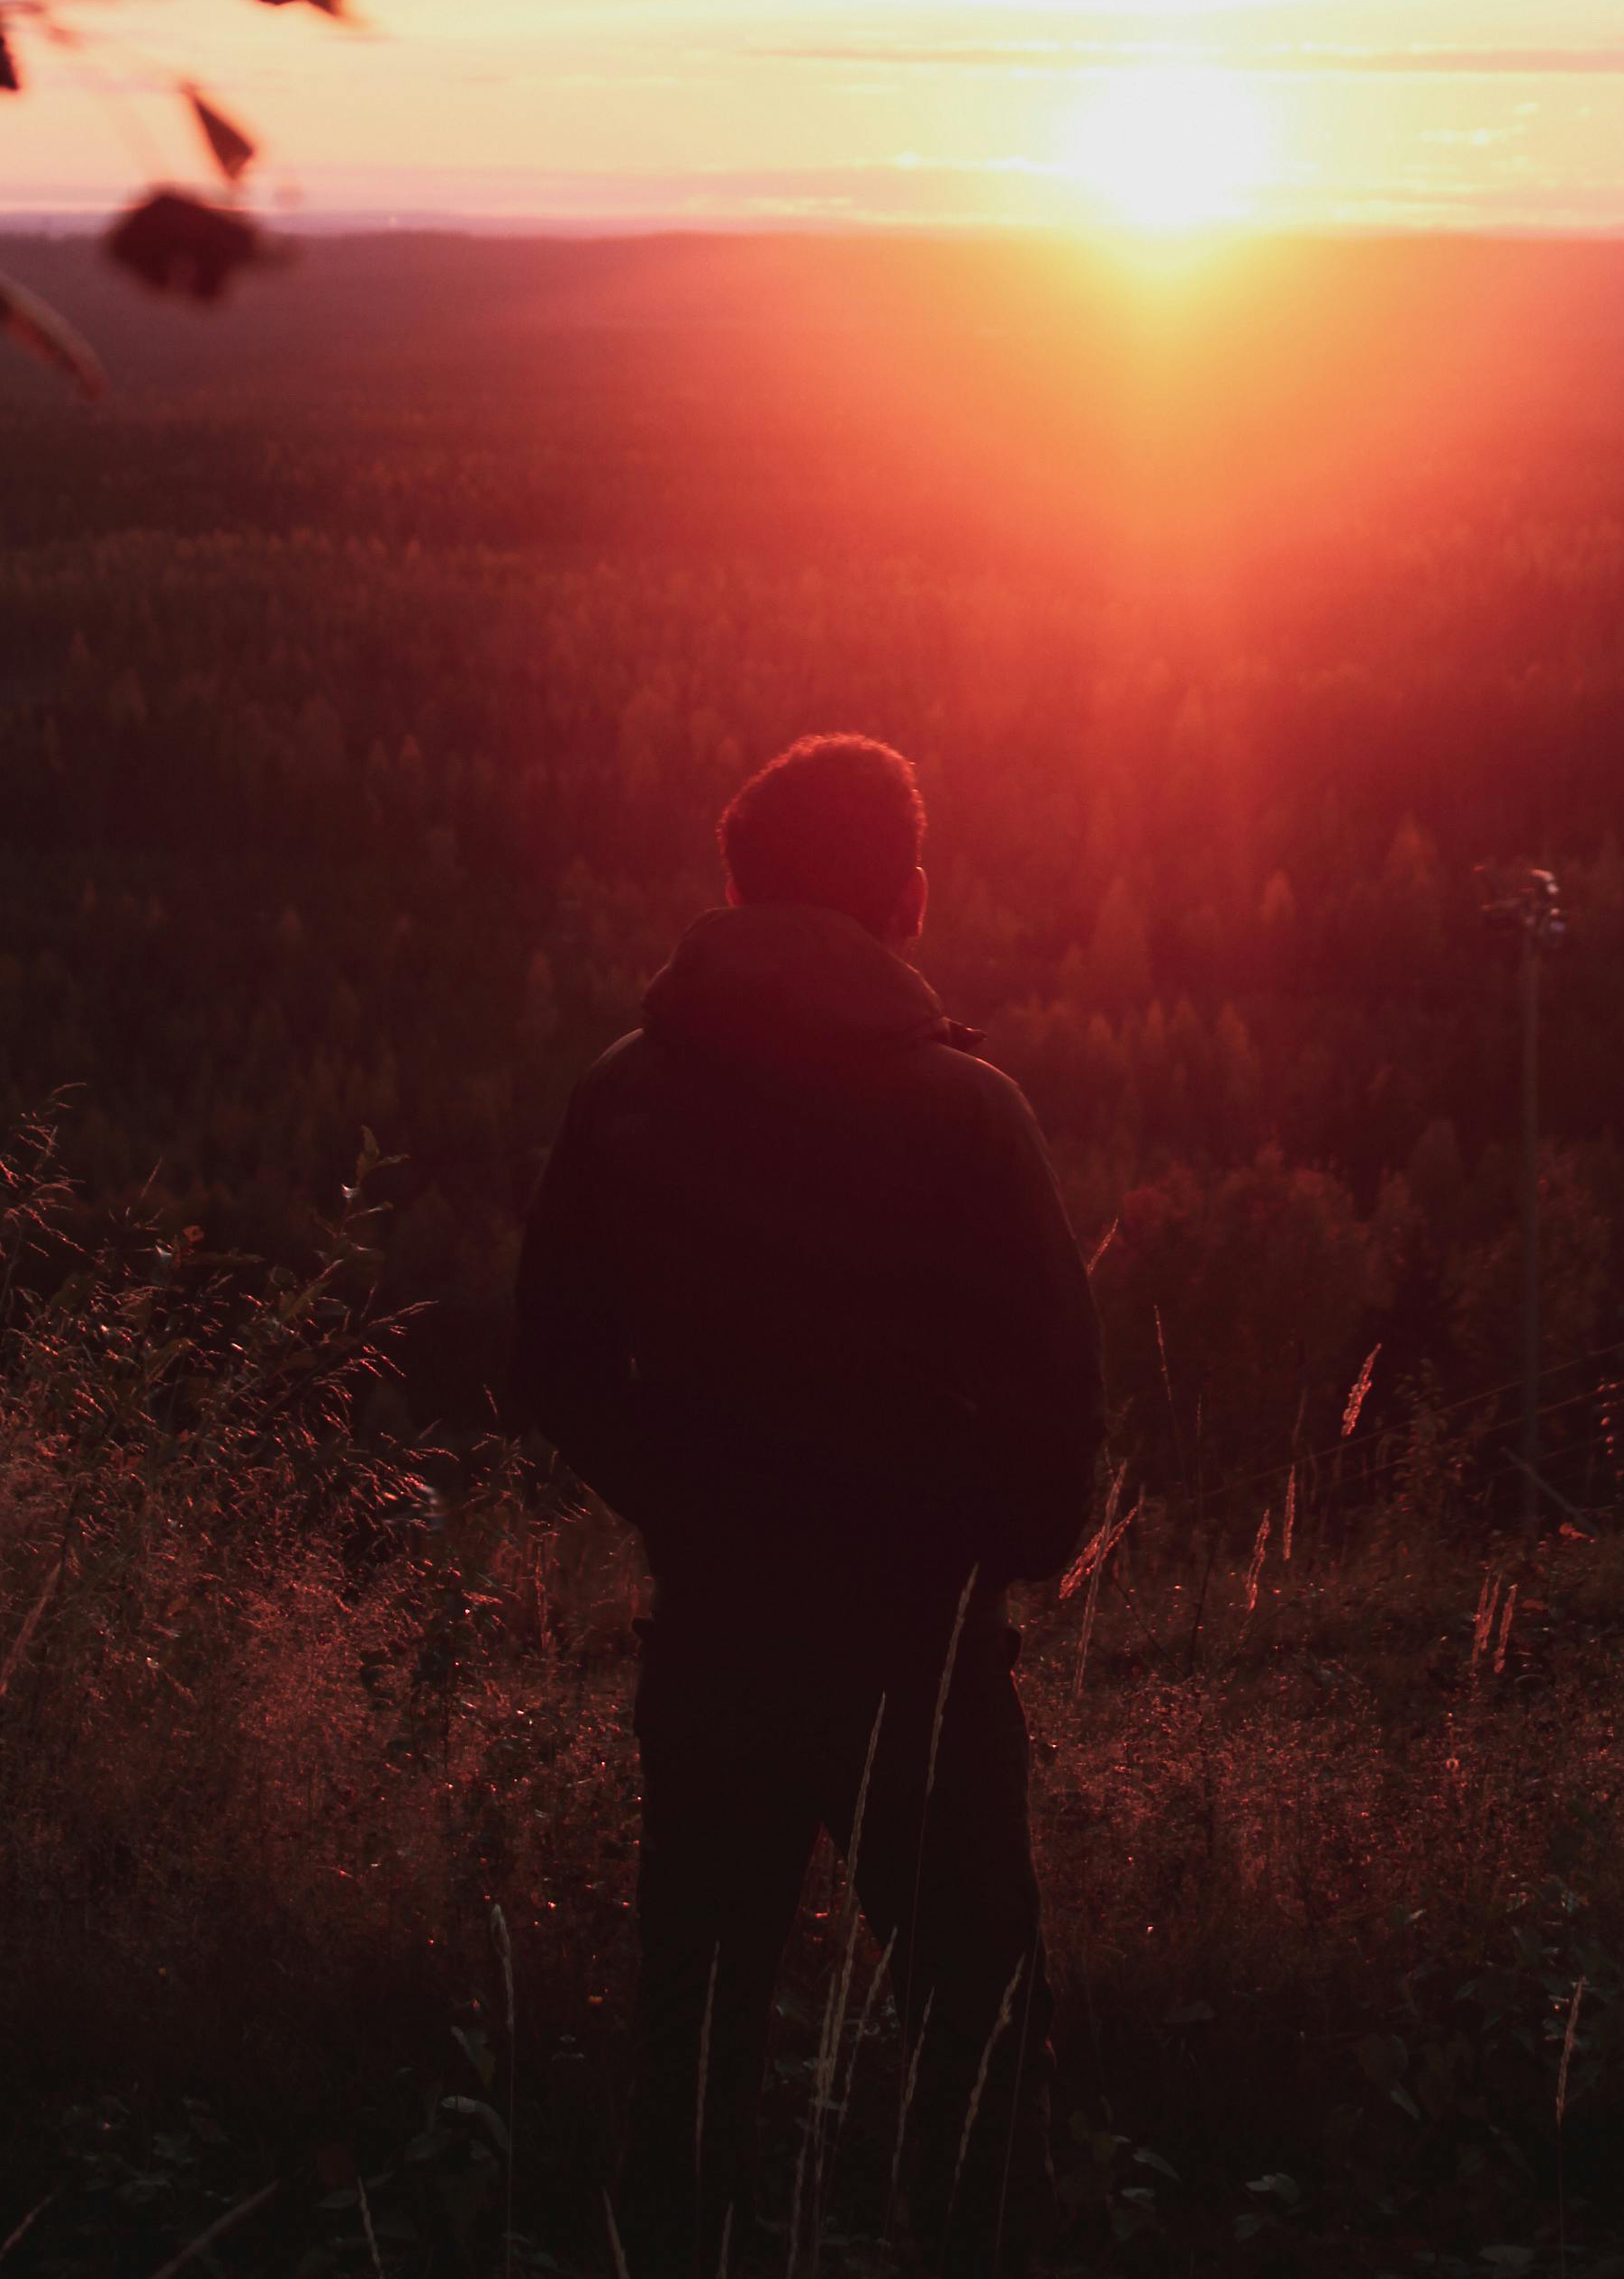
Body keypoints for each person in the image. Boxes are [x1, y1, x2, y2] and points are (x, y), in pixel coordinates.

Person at [511, 732, 1105, 2278]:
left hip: (713, 1644)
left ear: (737, 894)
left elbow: (552, 1367)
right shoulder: (970, 1113)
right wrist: (975, 1553)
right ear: (908, 901)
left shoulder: (624, 1097)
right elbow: (1058, 1419)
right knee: (977, 2036)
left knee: (696, 2049)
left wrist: (690, 1506)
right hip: (923, 1658)